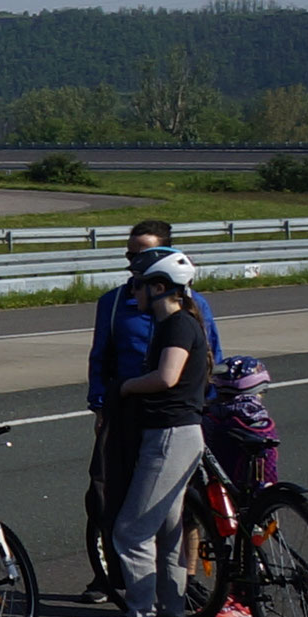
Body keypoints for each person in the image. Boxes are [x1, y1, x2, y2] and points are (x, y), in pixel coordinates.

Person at [99, 251, 214, 617]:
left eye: (140, 284)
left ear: (159, 287)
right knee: (167, 534)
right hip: (174, 436)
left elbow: (167, 377)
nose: (134, 291)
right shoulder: (174, 322)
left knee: (130, 532)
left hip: (169, 437)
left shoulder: (177, 325)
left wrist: (127, 387)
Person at [80, 221, 186, 594]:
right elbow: (100, 357)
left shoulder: (186, 306)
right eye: (129, 254)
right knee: (104, 493)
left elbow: (209, 354)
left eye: (140, 255)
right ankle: (112, 574)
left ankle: (180, 584)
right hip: (123, 411)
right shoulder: (112, 303)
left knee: (178, 503)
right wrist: (100, 407)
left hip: (170, 413)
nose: (132, 263)